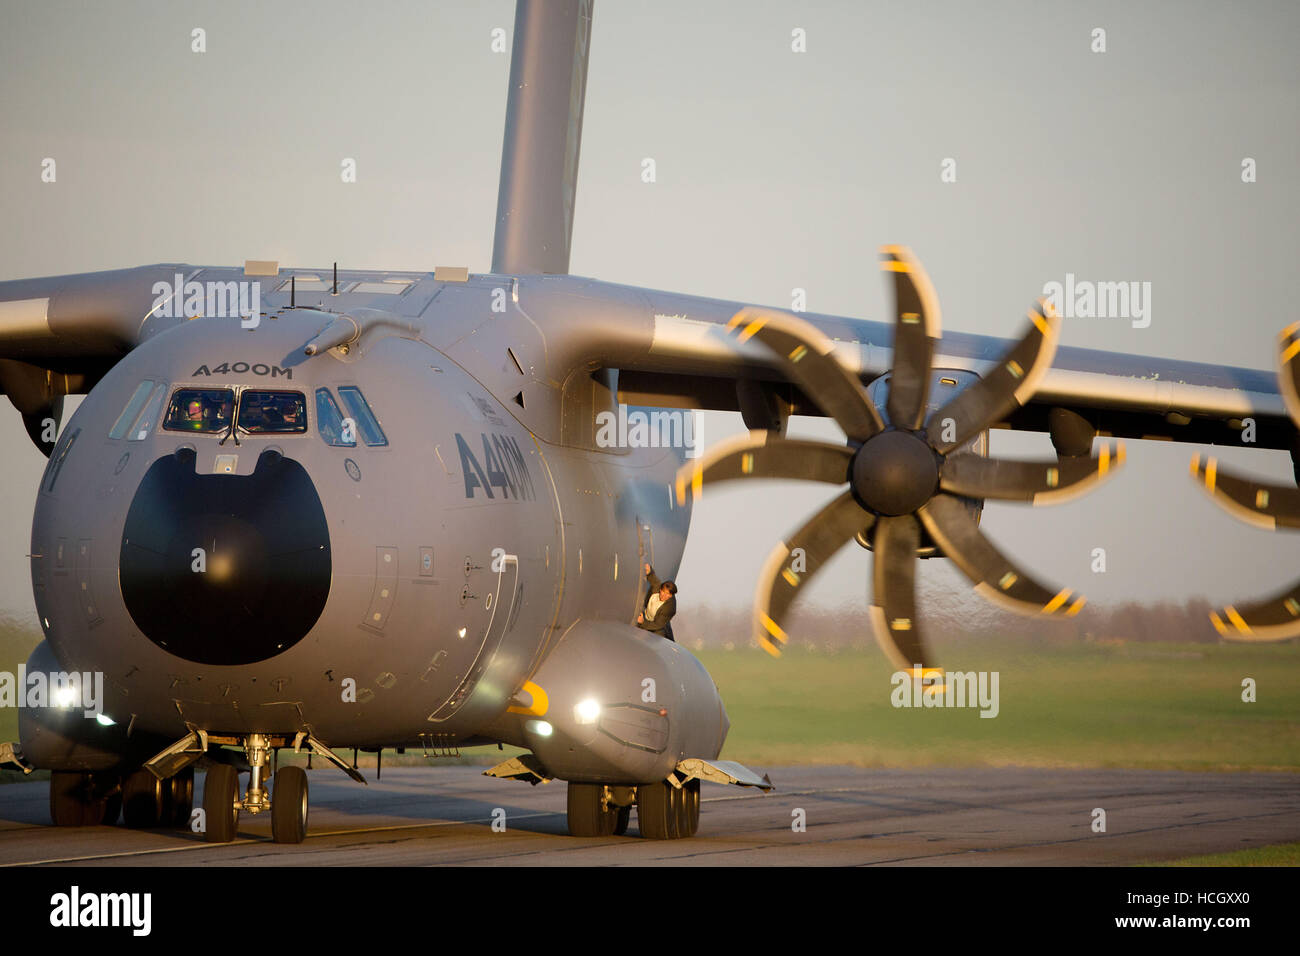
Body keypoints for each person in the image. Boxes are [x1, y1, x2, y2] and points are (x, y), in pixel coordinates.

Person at [636, 563, 677, 642]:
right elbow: (654, 580)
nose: (664, 596)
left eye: (668, 594)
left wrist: (643, 623)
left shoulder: (670, 608)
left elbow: (657, 625)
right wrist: (649, 571)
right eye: (664, 592)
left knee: (657, 640)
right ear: (660, 590)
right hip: (646, 617)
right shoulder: (657, 587)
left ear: (671, 596)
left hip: (658, 627)